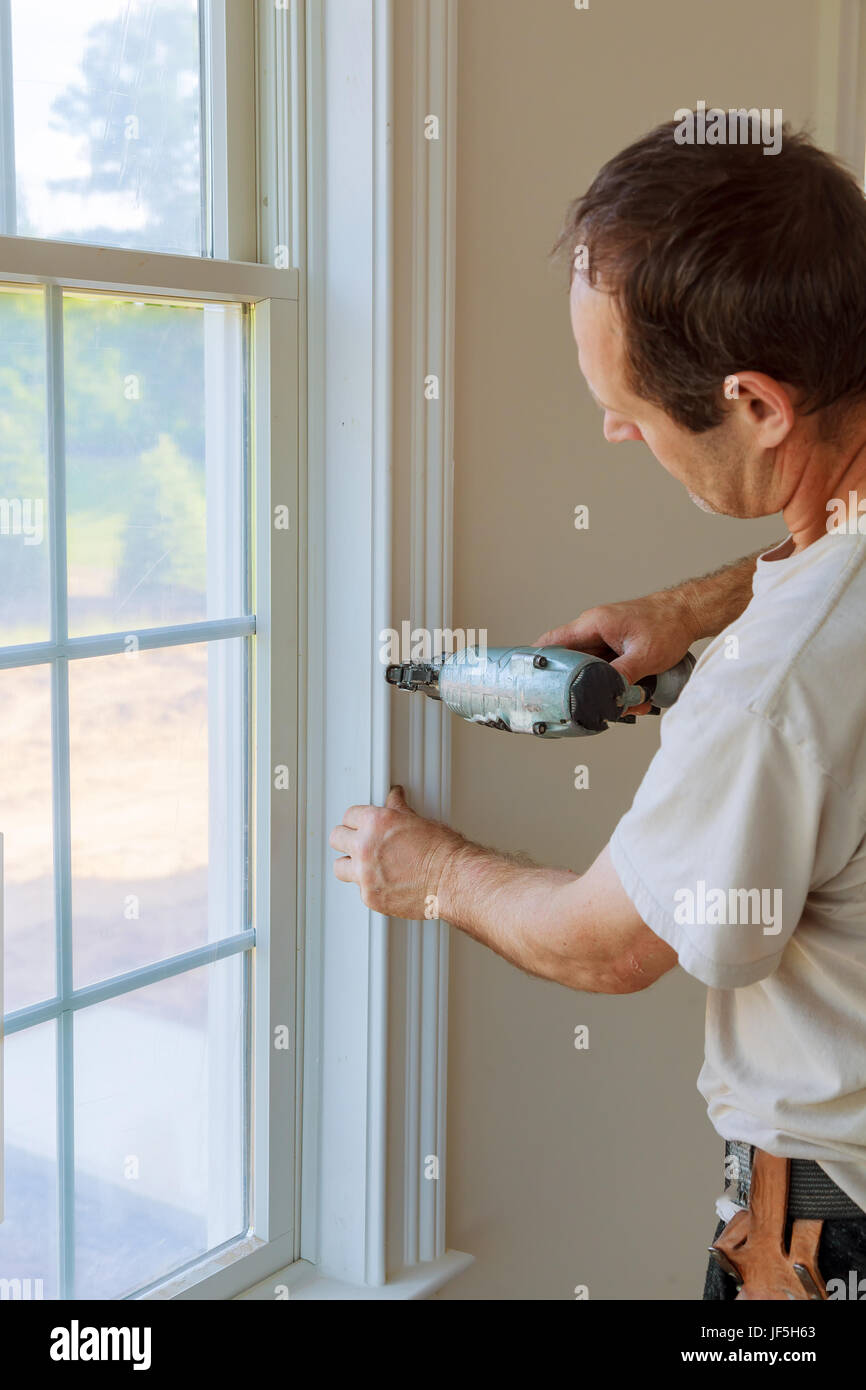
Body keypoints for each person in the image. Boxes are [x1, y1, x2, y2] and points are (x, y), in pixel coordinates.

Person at [329, 119, 866, 1299]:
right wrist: (699, 603)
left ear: (755, 404)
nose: (615, 430)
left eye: (630, 405)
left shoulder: (768, 692)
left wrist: (428, 871)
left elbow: (611, 943)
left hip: (832, 1240)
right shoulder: (783, 646)